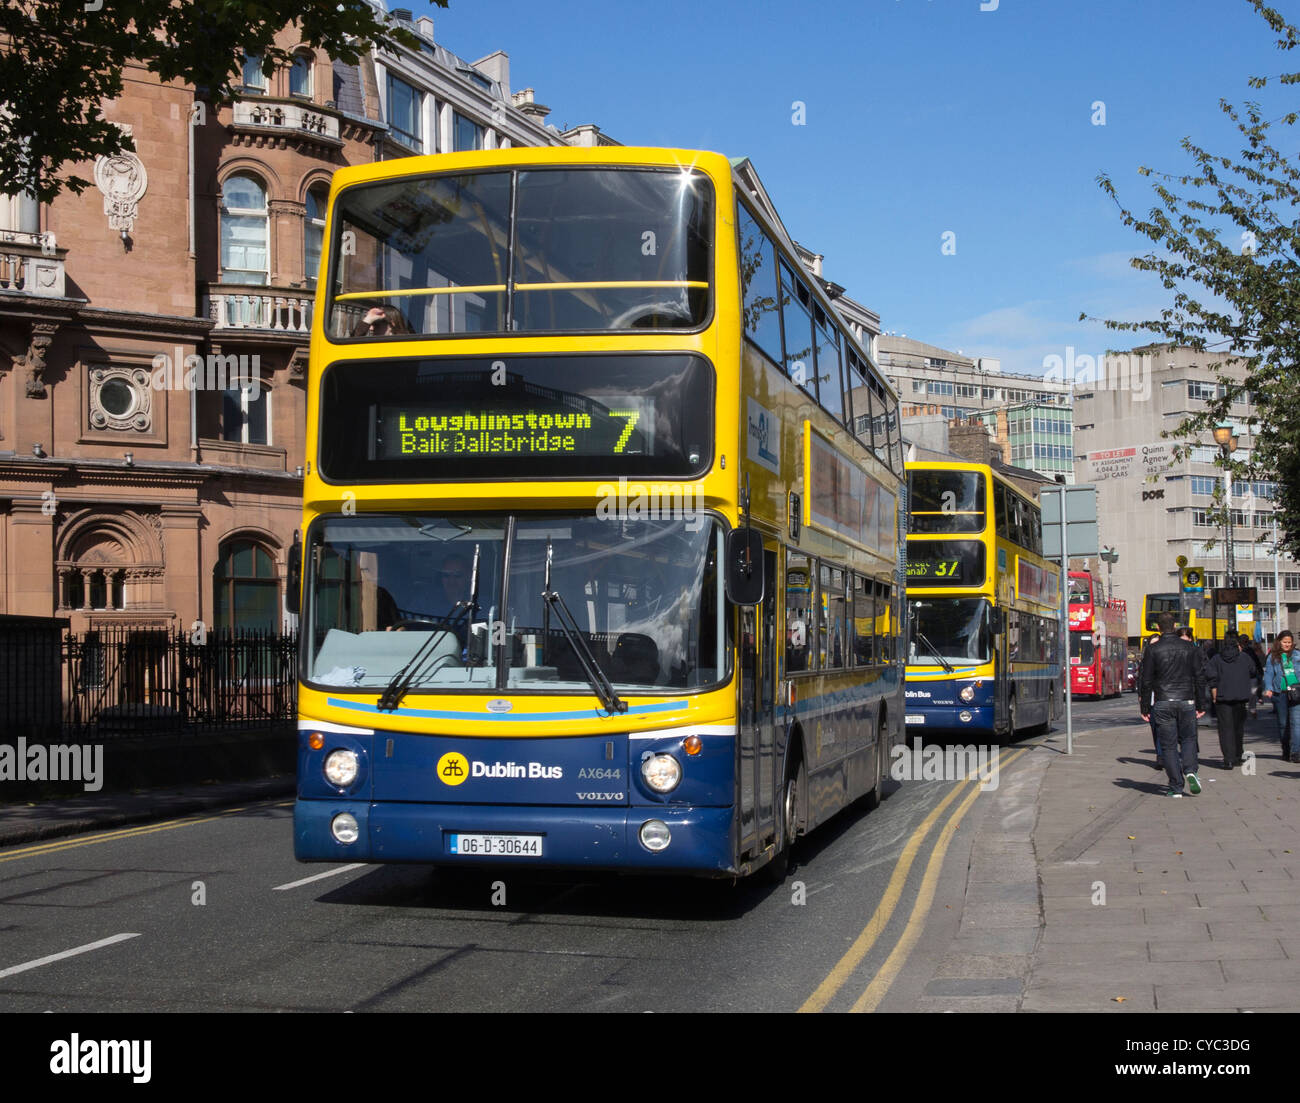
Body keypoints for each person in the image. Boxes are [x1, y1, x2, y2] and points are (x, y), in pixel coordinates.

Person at [1139, 611, 1209, 797]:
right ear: (1175, 626)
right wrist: (1201, 704)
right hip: (1186, 700)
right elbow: (1199, 677)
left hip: (1163, 701)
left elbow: (1146, 680)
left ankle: (1176, 786)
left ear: (1158, 628)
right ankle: (1190, 770)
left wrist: (1145, 707)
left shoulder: (1153, 650)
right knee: (1188, 739)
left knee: (1169, 746)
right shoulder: (1190, 648)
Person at [1206, 632, 1255, 769]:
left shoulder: (1217, 659)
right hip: (1241, 697)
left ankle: (1228, 758)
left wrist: (1214, 691)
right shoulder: (1244, 657)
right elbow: (1253, 671)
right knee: (1238, 728)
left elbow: (1210, 675)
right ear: (1237, 643)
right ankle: (1238, 755)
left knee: (1225, 729)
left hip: (1223, 697)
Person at [1262, 629, 1300, 762]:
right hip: (1280, 693)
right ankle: (1286, 749)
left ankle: (1296, 753)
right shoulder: (1273, 656)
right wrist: (1268, 688)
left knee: (1296, 723)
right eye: (1285, 642)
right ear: (1279, 642)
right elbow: (1269, 674)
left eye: (1289, 642)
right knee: (1283, 724)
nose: (1287, 644)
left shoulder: (1297, 655)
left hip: (1296, 694)